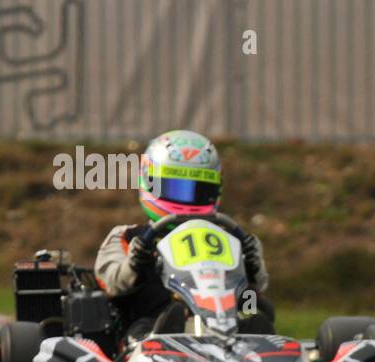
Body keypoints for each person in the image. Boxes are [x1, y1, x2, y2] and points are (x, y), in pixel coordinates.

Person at [94, 129, 273, 349]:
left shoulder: (230, 238)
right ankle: (154, 340)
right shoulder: (127, 237)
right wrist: (134, 265)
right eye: (176, 188)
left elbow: (257, 286)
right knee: (149, 313)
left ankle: (255, 342)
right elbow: (109, 283)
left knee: (254, 304)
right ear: (150, 182)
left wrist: (252, 268)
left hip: (226, 326)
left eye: (199, 190)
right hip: (150, 328)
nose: (187, 199)